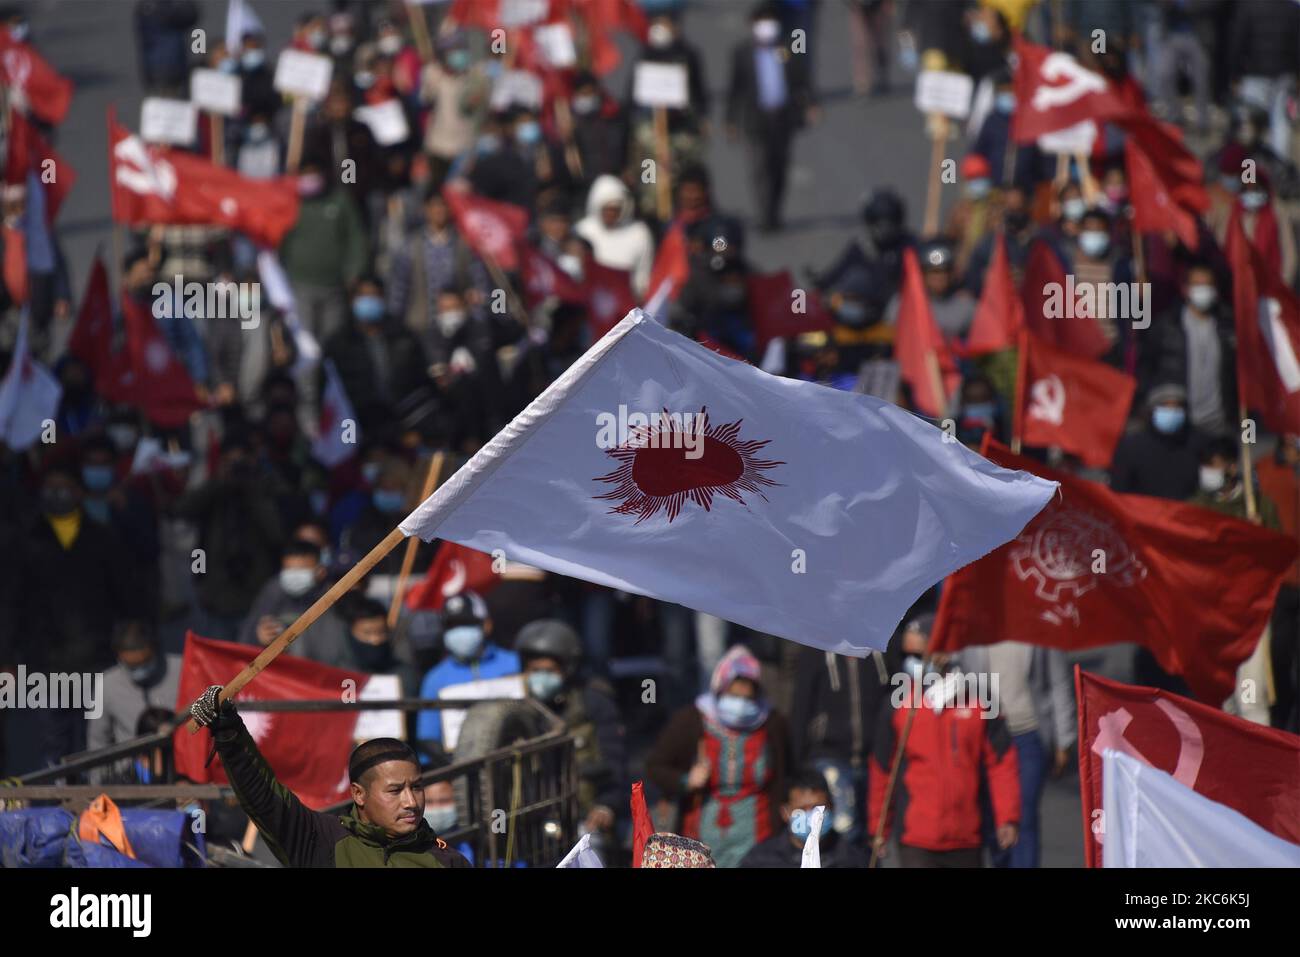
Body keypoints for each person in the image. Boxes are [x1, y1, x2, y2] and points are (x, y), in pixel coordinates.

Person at [191, 688, 469, 868]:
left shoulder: (448, 861)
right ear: (359, 794)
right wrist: (228, 730)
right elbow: (263, 797)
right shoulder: (321, 840)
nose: (410, 801)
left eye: (416, 787)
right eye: (395, 791)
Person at [868, 615, 1020, 868]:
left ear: (941, 652)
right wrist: (878, 829)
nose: (911, 662)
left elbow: (1002, 763)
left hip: (968, 836)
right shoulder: (898, 703)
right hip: (915, 838)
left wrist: (1008, 817)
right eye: (907, 655)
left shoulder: (979, 698)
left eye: (918, 655)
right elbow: (882, 769)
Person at [645, 645, 788, 868]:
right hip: (701, 839)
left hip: (757, 840)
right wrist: (686, 780)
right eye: (735, 690)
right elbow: (655, 766)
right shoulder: (691, 719)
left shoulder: (772, 723)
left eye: (747, 691)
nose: (741, 699)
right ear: (721, 686)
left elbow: (786, 773)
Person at [960, 641, 1076, 868]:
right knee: (993, 816)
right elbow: (961, 674)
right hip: (987, 736)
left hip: (1028, 734)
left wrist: (1064, 739)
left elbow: (1059, 681)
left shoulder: (1039, 631)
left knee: (1023, 815)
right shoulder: (976, 628)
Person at [516, 619, 626, 846]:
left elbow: (615, 761)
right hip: (531, 820)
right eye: (535, 670)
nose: (541, 678)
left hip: (584, 815)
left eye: (549, 671)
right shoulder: (515, 709)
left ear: (567, 669)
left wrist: (607, 805)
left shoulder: (593, 702)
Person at [726, 2, 817, 232]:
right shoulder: (742, 52)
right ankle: (764, 214)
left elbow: (801, 78)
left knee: (779, 166)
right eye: (761, 21)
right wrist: (731, 120)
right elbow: (735, 88)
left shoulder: (787, 49)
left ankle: (775, 211)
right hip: (755, 119)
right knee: (759, 167)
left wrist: (811, 103)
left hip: (783, 117)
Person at [788, 645, 890, 844]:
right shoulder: (816, 652)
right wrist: (798, 767)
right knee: (843, 828)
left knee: (874, 831)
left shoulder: (880, 652)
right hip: (829, 755)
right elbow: (800, 709)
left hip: (873, 755)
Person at [415, 592, 521, 758]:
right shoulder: (435, 678)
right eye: (452, 625)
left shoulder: (515, 664)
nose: (459, 631)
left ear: (486, 624)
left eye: (466, 623)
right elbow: (428, 739)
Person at [1138, 262, 1235, 438]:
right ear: (1185, 289)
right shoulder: (1167, 326)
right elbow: (1147, 368)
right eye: (1197, 285)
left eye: (1207, 285)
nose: (1203, 290)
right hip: (1180, 425)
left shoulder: (1228, 327)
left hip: (1218, 426)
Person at [238, 538, 351, 665]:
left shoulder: (333, 595)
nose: (294, 576)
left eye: (302, 570)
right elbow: (247, 639)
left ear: (321, 571)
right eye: (290, 570)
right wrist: (259, 638)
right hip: (283, 672)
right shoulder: (273, 591)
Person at [739, 767, 870, 867]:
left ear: (832, 807)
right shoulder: (761, 860)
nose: (811, 817)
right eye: (801, 810)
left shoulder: (854, 859)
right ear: (785, 812)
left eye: (817, 809)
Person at [86, 621, 183, 757]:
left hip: (181, 765)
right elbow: (98, 741)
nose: (139, 671)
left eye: (145, 662)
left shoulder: (183, 670)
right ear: (119, 656)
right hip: (130, 770)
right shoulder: (106, 685)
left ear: (154, 648)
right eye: (131, 666)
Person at [1111, 383, 1209, 500]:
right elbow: (1119, 490)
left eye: (1177, 407)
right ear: (1152, 411)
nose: (1171, 411)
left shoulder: (1199, 444)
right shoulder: (1132, 446)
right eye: (1165, 406)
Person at [574, 175, 655, 297]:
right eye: (607, 209)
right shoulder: (582, 231)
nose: (611, 214)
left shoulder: (639, 233)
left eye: (615, 209)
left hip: (627, 303)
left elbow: (643, 275)